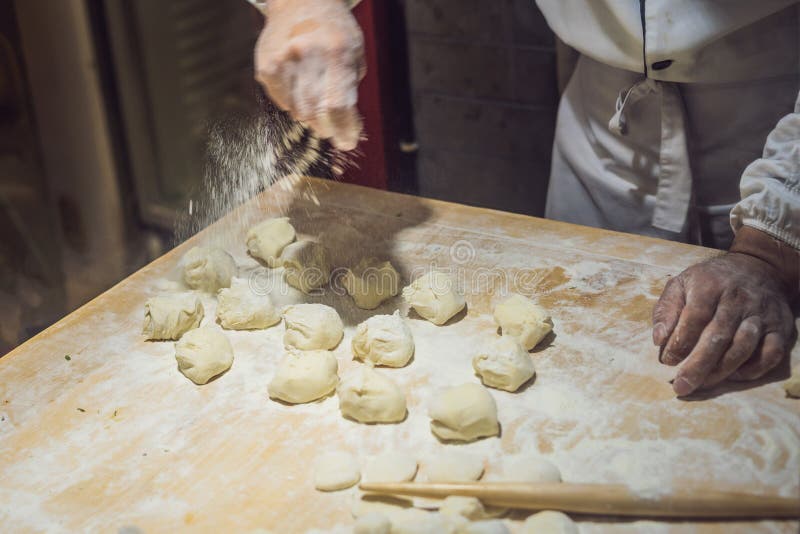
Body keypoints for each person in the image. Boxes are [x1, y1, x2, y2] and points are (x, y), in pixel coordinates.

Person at [250, 0, 799, 397]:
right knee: (580, 375)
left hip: (773, 121)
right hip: (603, 124)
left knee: (744, 375)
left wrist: (773, 247)